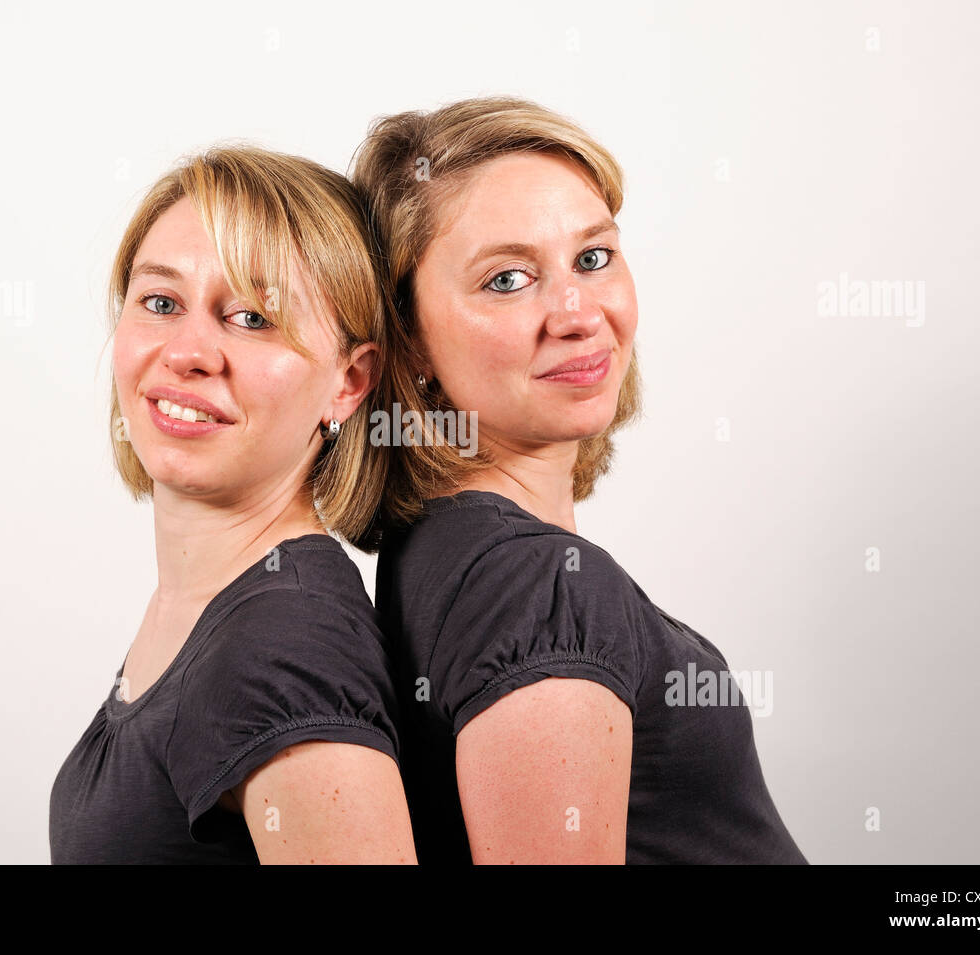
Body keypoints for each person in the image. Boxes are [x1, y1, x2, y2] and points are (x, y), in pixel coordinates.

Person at [351, 96, 807, 864]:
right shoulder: (534, 584)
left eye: (593, 258)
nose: (577, 312)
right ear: (411, 338)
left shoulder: (444, 552)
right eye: (507, 279)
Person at [49, 146, 415, 863]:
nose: (189, 351)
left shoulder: (284, 646)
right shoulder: (205, 601)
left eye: (251, 317)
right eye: (161, 302)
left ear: (348, 381)